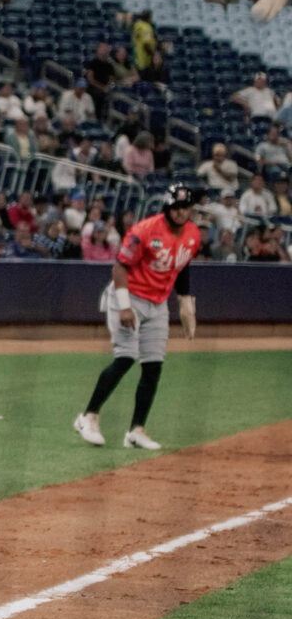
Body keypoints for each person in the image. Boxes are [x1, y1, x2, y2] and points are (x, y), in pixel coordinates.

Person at [74, 184, 202, 450]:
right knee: (125, 357)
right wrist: (124, 306)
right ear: (167, 208)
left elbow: (183, 264)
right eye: (177, 207)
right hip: (129, 296)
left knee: (153, 366)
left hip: (158, 303)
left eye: (186, 207)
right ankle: (89, 416)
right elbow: (120, 267)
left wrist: (185, 300)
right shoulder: (144, 231)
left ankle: (136, 431)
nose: (181, 212)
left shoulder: (193, 233)